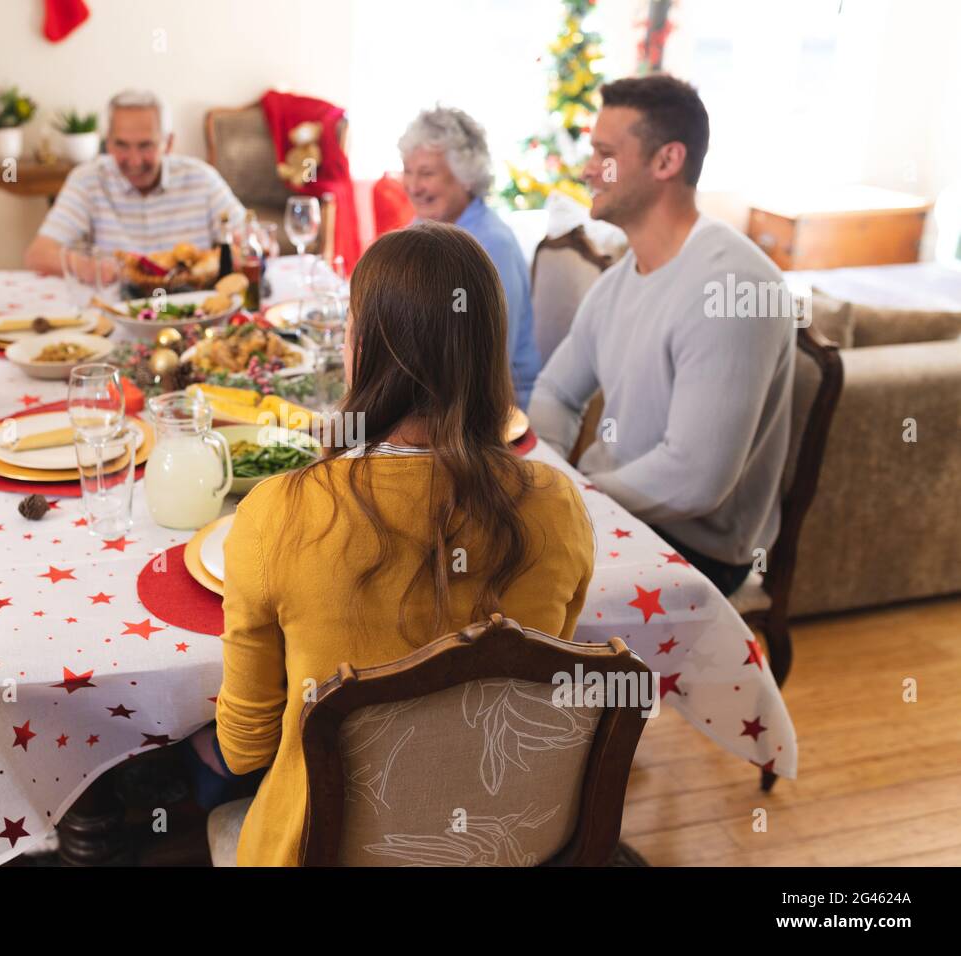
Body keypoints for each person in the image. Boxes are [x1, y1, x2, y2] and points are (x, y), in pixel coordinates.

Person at [207, 221, 596, 866]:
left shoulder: (278, 512)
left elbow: (243, 751)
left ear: (362, 347)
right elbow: (541, 674)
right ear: (487, 346)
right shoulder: (558, 507)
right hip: (503, 841)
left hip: (321, 850)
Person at [527, 74, 795, 597]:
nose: (587, 170)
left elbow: (695, 479)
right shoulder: (625, 275)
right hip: (609, 507)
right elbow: (557, 392)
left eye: (605, 154)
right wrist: (548, 479)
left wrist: (570, 500)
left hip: (693, 550)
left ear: (667, 161)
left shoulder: (733, 288)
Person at [399, 106, 541, 406]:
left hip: (490, 411)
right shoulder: (423, 227)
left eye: (426, 173)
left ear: (466, 177)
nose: (412, 186)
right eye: (407, 170)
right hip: (431, 392)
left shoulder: (491, 245)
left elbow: (489, 364)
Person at [23, 89, 245, 274]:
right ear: (108, 143)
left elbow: (246, 235)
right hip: (116, 310)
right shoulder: (87, 180)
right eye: (121, 145)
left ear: (168, 143)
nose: (134, 160)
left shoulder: (201, 178)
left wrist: (253, 244)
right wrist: (90, 267)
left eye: (145, 145)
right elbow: (38, 255)